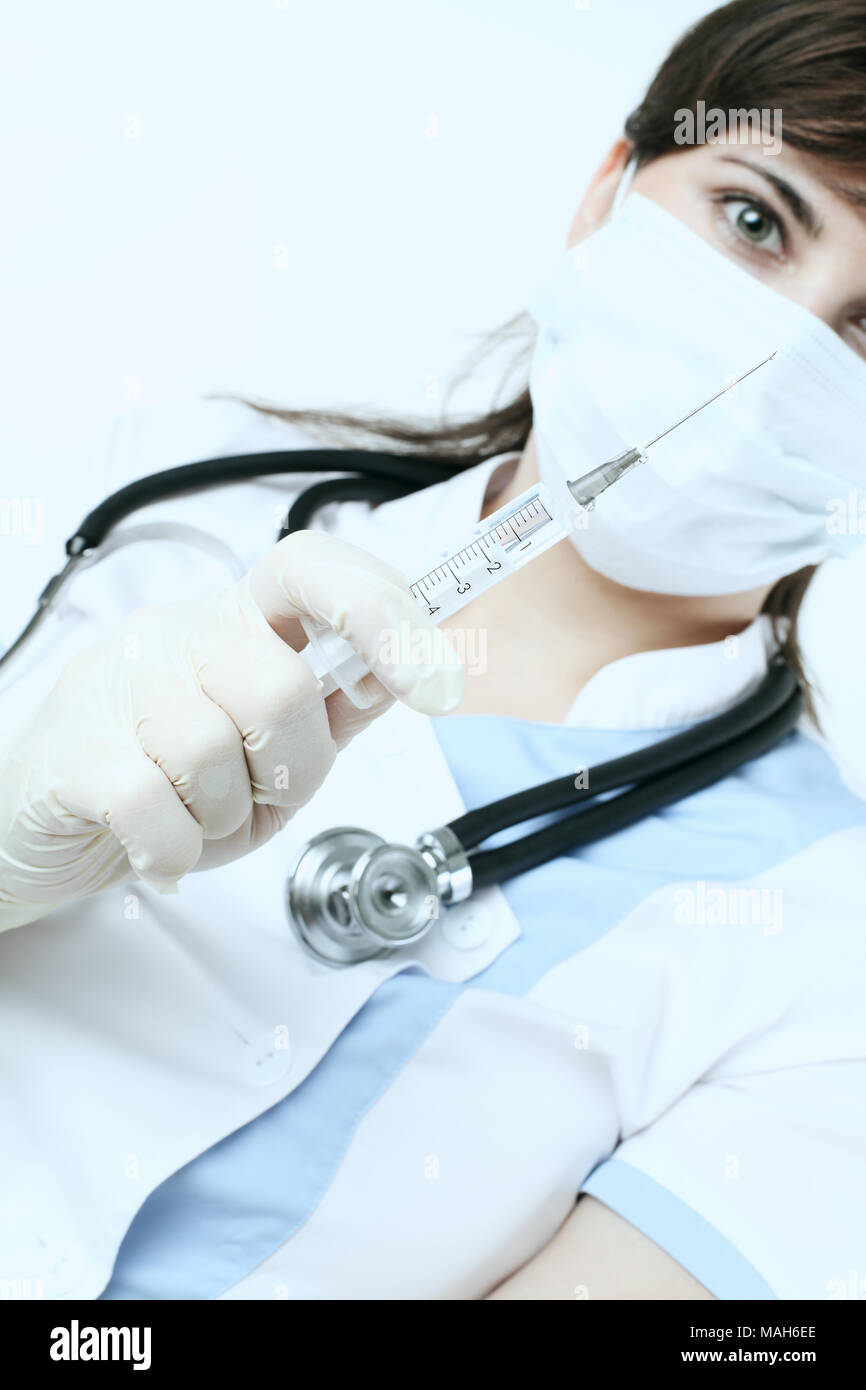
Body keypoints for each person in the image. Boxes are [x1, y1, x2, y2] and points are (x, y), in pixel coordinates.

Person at [1, 0, 865, 1301]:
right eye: (752, 218)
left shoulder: (826, 934)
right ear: (606, 190)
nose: (771, 354)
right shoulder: (172, 501)